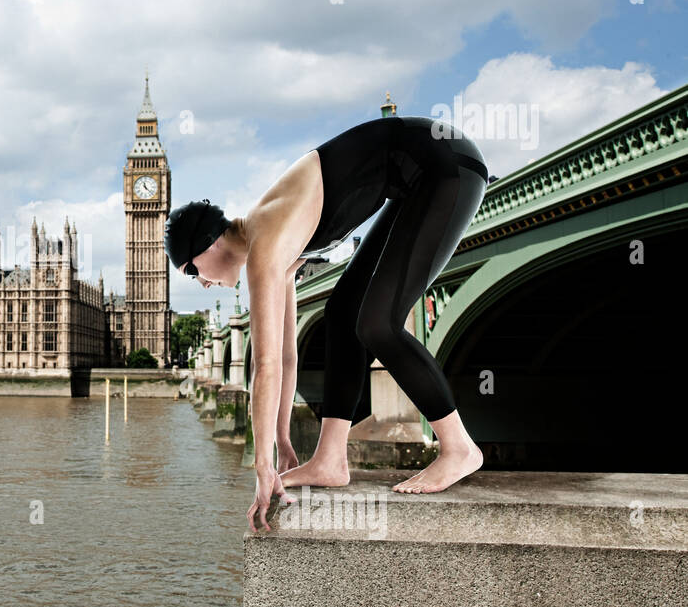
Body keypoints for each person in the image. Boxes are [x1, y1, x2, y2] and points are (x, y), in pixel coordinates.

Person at [163, 115, 489, 532]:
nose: (202, 282)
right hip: (415, 180)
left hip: (446, 165)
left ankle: (459, 448)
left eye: (192, 270)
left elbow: (263, 367)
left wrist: (263, 467)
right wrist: (281, 438)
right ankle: (331, 459)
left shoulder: (266, 241)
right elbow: (284, 356)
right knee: (342, 312)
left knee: (378, 323)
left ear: (208, 244)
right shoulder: (272, 244)